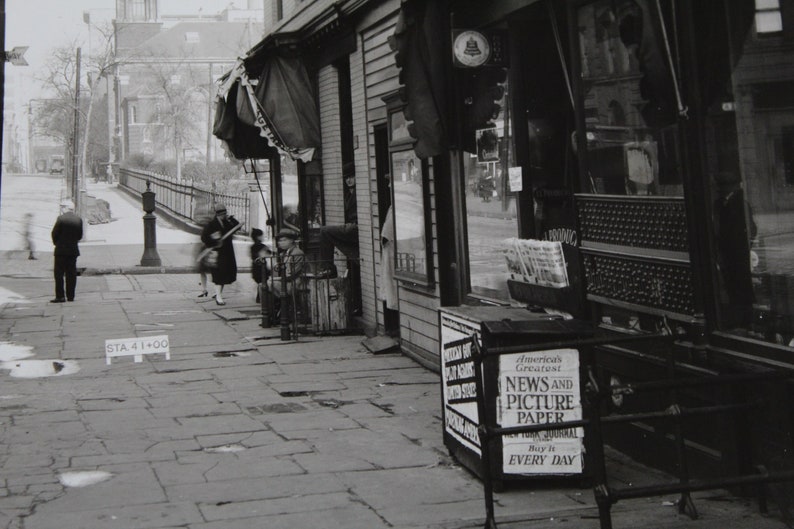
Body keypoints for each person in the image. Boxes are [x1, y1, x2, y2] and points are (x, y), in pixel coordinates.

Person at [317, 165, 358, 278]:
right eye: (346, 178)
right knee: (326, 232)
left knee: (325, 231)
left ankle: (328, 268)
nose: (348, 180)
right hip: (352, 227)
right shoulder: (349, 194)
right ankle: (327, 268)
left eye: (351, 177)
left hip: (357, 227)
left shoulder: (360, 192)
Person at [200, 204, 241, 306]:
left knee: (225, 273)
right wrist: (214, 242)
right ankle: (218, 296)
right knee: (219, 274)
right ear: (217, 214)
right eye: (222, 214)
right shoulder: (211, 225)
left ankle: (218, 294)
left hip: (227, 252)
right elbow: (204, 237)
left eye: (225, 214)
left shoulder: (226, 222)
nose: (224, 216)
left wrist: (231, 218)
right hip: (216, 253)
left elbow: (237, 227)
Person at [50, 200, 83, 303]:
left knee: (59, 274)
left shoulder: (61, 219)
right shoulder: (78, 219)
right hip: (73, 250)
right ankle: (71, 296)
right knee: (71, 273)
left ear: (65, 208)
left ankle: (60, 296)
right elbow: (79, 235)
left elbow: (54, 234)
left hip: (61, 250)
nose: (61, 209)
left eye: (62, 207)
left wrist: (57, 243)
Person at [267, 228, 306, 300]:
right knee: (262, 285)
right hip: (287, 282)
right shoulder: (285, 253)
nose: (280, 243)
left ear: (291, 241)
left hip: (294, 284)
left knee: (268, 284)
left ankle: (281, 307)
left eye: (284, 240)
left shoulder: (297, 253)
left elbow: (291, 275)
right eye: (279, 241)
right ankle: (274, 308)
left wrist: (275, 279)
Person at [250, 228, 271, 303]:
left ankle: (259, 297)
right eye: (261, 236)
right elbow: (269, 254)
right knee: (263, 282)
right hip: (261, 267)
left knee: (260, 282)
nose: (263, 237)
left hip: (255, 267)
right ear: (257, 237)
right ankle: (260, 297)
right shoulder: (263, 246)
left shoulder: (252, 247)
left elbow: (253, 257)